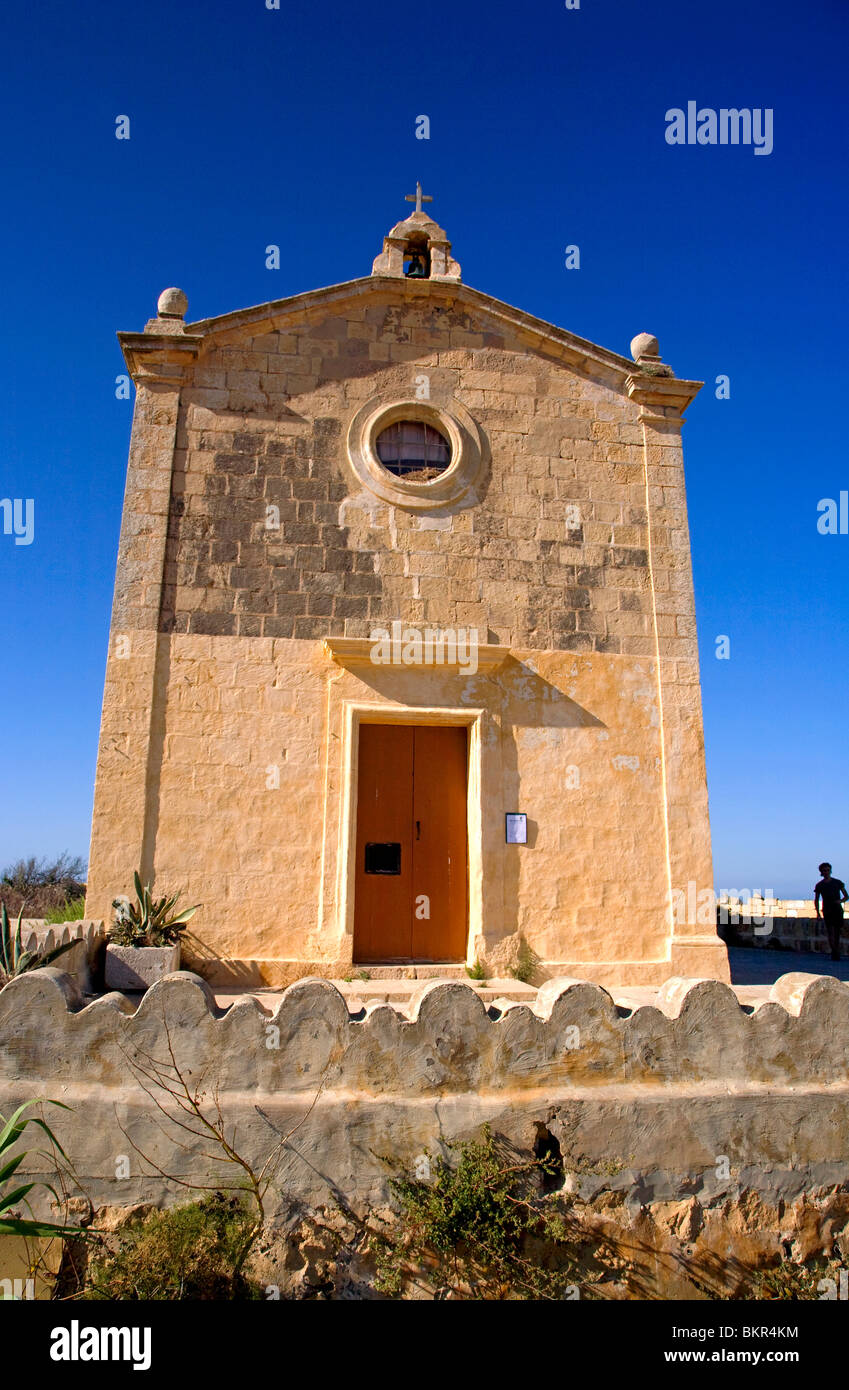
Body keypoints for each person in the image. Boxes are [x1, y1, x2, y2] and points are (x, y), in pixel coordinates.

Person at [814, 862, 849, 962]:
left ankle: (836, 950)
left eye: (827, 870)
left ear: (830, 870)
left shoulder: (837, 882)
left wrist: (840, 901)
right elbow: (816, 900)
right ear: (821, 872)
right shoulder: (819, 885)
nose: (826, 872)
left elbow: (846, 896)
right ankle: (834, 951)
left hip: (837, 909)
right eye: (824, 871)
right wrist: (818, 913)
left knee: (837, 931)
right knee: (830, 931)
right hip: (827, 910)